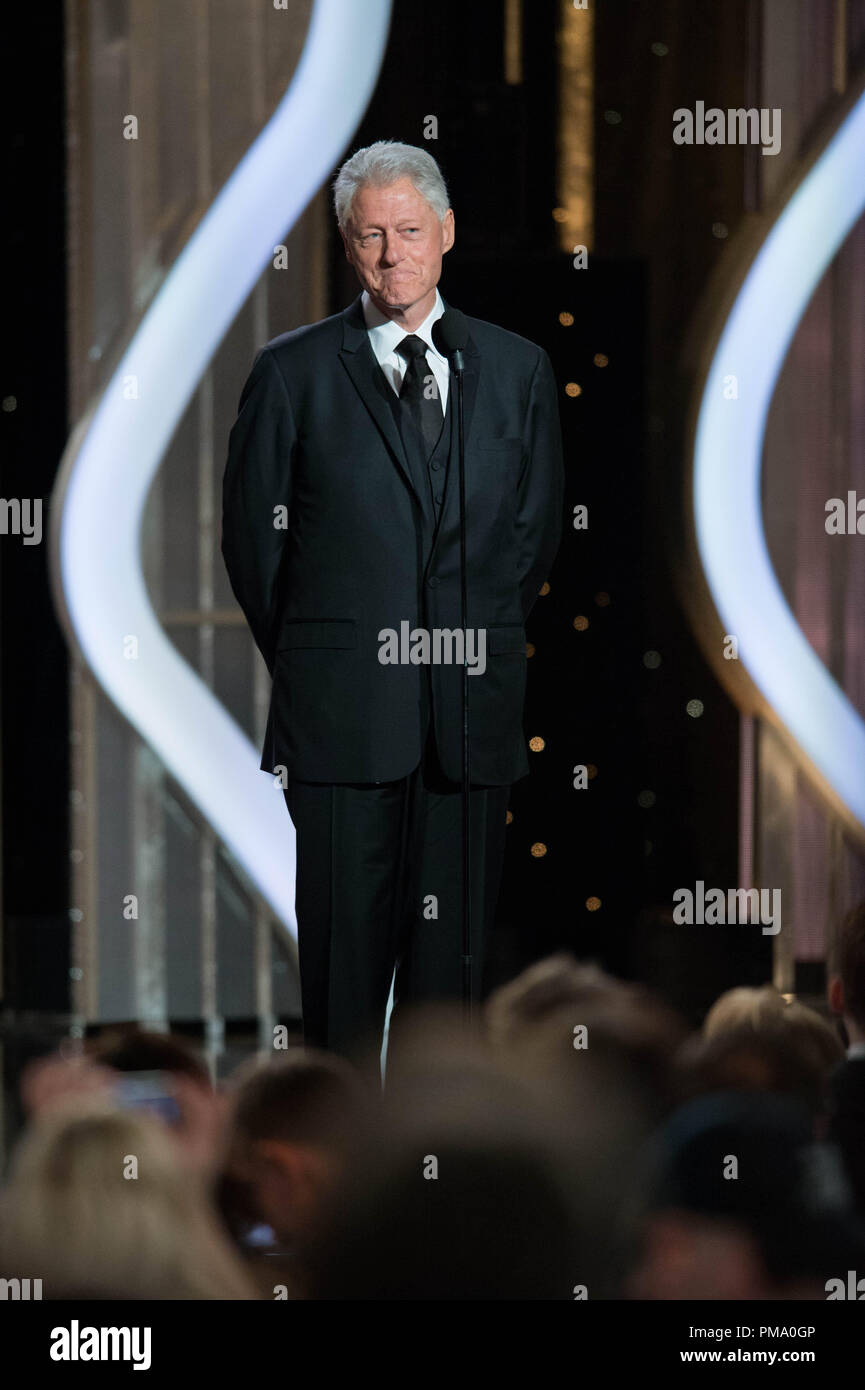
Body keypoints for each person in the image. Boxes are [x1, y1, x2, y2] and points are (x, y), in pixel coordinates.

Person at [222, 141, 564, 1058]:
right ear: (346, 244)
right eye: (370, 234)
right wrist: (324, 659)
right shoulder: (291, 373)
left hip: (467, 723)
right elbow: (256, 552)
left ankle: (429, 1183)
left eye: (409, 231)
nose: (391, 253)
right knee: (339, 985)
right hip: (341, 726)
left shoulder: (517, 369)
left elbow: (528, 543)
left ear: (445, 234)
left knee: (445, 997)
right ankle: (337, 1185)